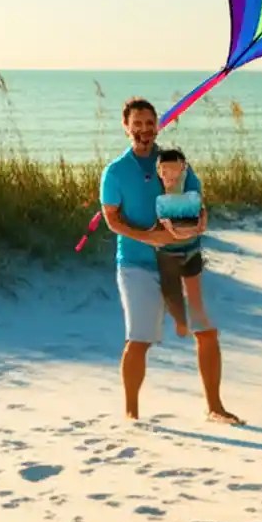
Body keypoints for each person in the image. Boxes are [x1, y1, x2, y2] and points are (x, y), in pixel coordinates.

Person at [98, 96, 241, 425]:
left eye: (150, 123)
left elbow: (196, 202)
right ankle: (131, 414)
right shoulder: (116, 172)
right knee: (139, 339)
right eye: (137, 124)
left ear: (157, 125)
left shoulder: (176, 161)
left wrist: (201, 219)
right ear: (126, 127)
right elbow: (112, 220)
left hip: (182, 259)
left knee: (206, 332)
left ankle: (215, 408)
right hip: (137, 265)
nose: (144, 130)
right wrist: (150, 237)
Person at [153, 147, 210, 338]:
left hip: (191, 248)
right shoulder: (159, 194)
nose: (170, 174)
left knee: (193, 288)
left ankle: (197, 318)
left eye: (175, 169)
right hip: (168, 251)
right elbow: (165, 223)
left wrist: (199, 223)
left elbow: (200, 208)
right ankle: (180, 321)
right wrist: (177, 233)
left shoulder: (191, 184)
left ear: (183, 168)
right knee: (172, 291)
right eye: (165, 170)